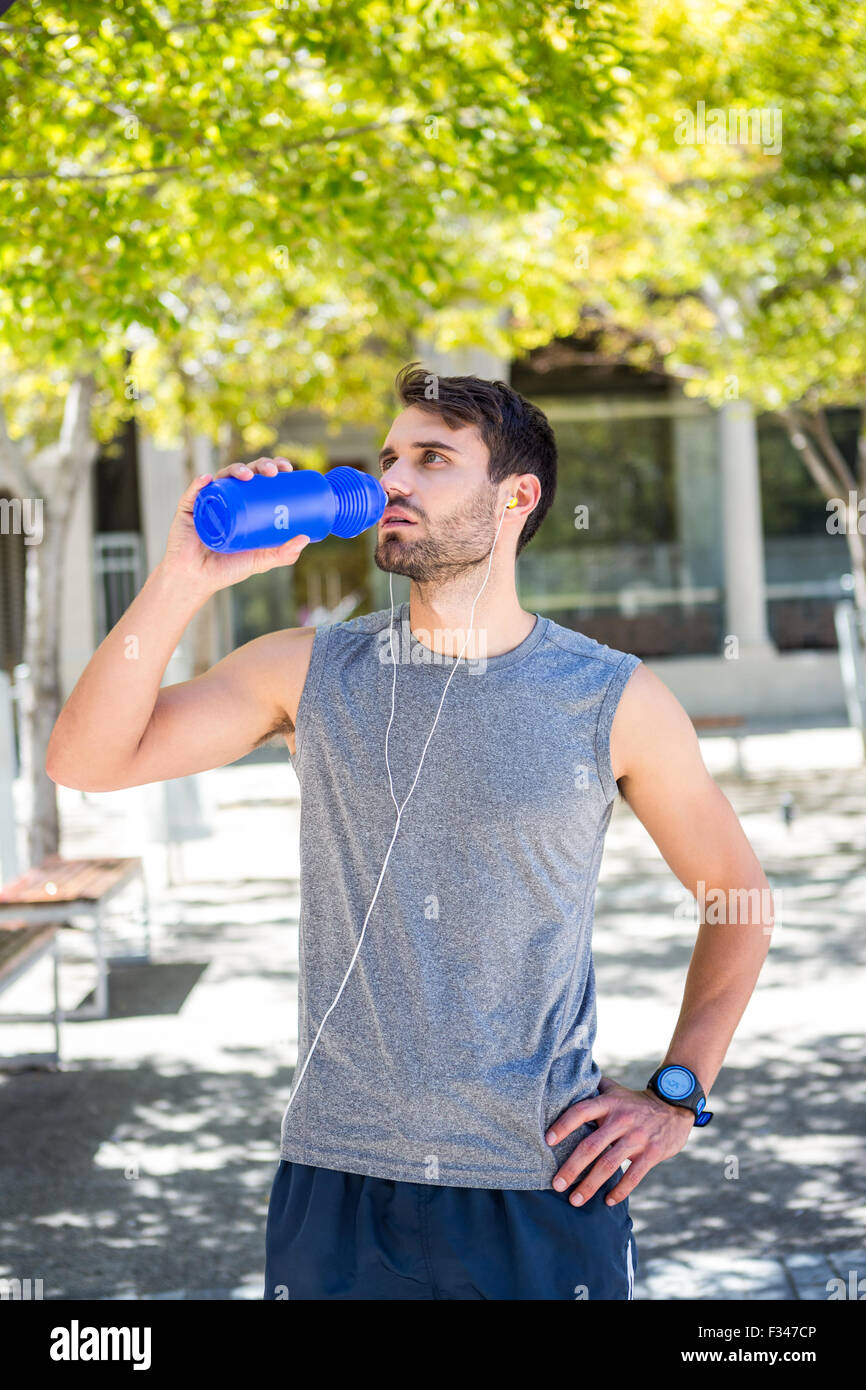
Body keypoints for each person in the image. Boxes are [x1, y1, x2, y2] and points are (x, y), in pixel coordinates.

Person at [47, 362, 773, 1302]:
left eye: (433, 460)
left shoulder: (614, 697)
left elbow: (740, 899)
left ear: (518, 497)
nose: (393, 480)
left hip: (541, 1179)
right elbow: (85, 761)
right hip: (336, 1178)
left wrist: (679, 1092)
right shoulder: (305, 671)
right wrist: (187, 576)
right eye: (389, 457)